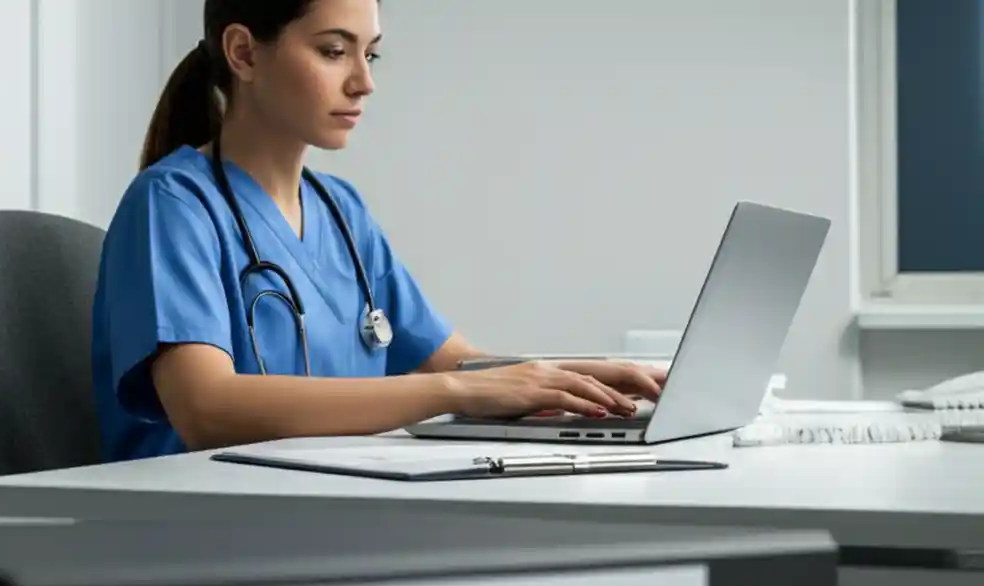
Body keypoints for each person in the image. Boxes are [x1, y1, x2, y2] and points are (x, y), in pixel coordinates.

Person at [91, 0, 666, 462]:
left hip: (328, 502)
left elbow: (452, 362)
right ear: (243, 53)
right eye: (334, 51)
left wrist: (597, 374)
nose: (364, 82)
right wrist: (457, 395)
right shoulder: (174, 204)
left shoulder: (340, 210)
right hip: (202, 519)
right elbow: (206, 407)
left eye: (372, 55)